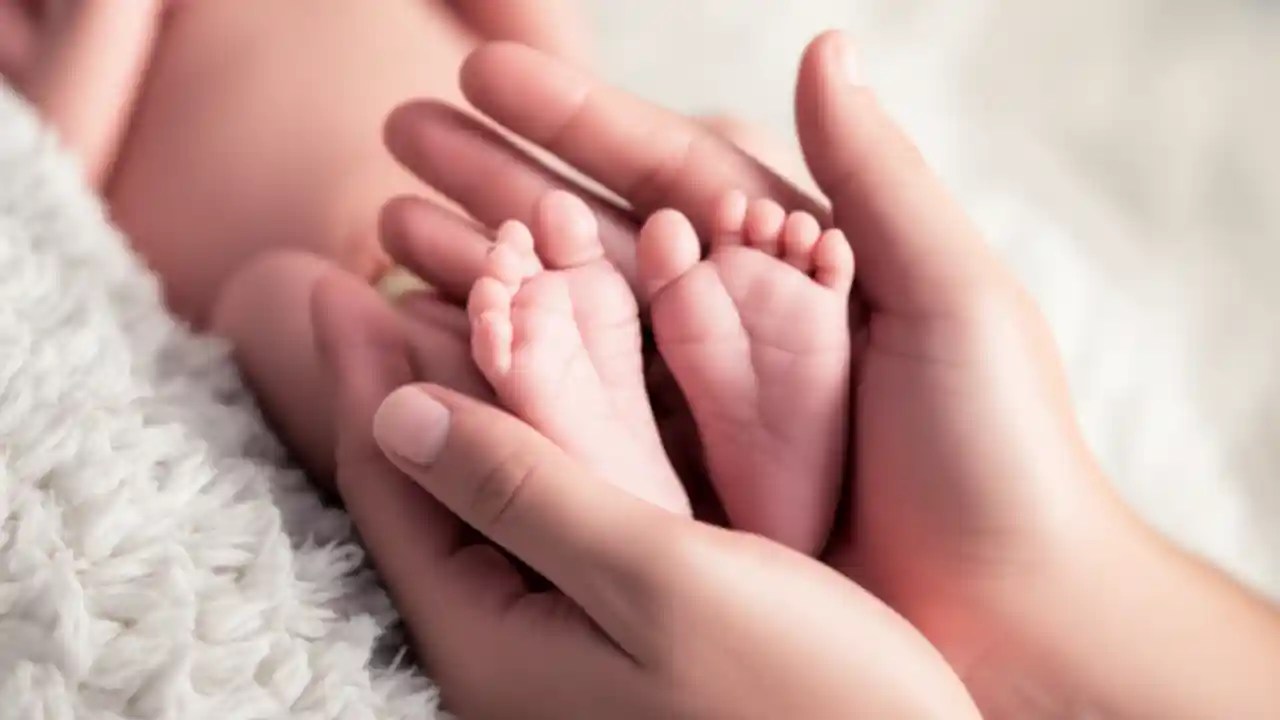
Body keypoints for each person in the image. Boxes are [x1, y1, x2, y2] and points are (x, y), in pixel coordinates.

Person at [313, 32, 1280, 717]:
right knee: (305, 305)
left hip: (438, 266)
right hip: (466, 259)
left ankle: (656, 491)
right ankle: (708, 509)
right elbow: (524, 52)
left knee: (290, 304)